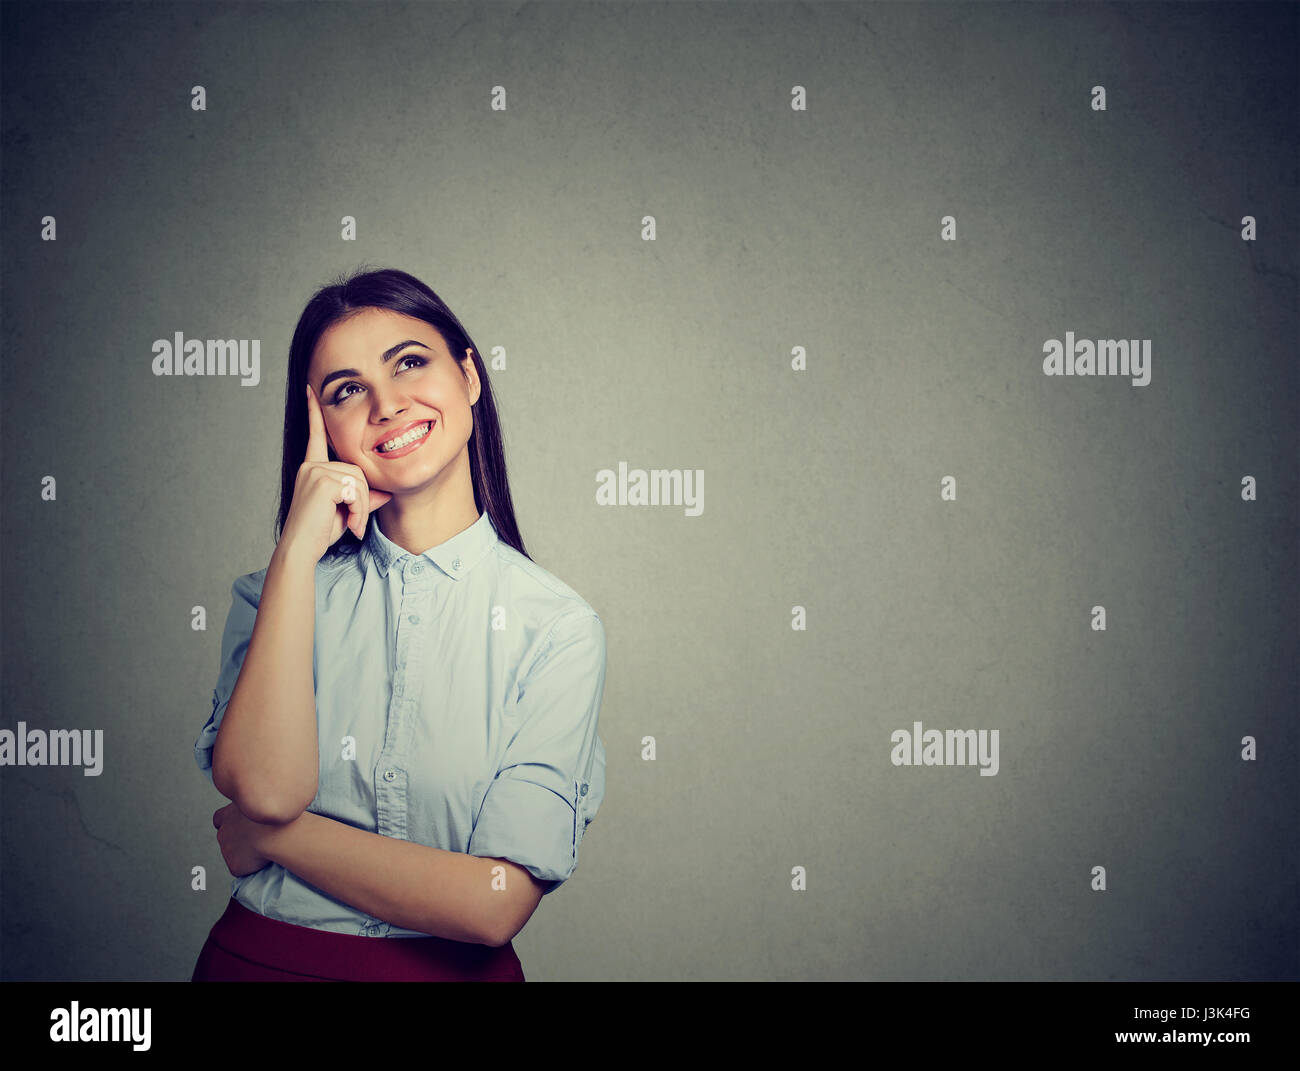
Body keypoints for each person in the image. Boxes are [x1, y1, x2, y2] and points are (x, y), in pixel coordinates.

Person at [190, 267, 607, 982]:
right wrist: (295, 547)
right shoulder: (270, 595)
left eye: (410, 361)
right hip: (258, 965)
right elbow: (264, 787)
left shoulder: (558, 627)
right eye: (346, 390)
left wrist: (273, 838)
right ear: (318, 425)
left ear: (469, 376)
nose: (387, 403)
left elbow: (491, 906)